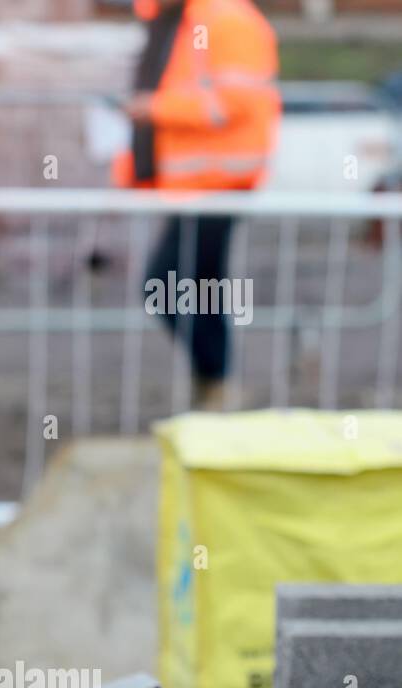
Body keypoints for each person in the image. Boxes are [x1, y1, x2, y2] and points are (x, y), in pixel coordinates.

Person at [114, 0, 280, 409]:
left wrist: (155, 109)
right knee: (201, 287)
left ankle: (218, 380)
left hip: (218, 182)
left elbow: (236, 102)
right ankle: (215, 386)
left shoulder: (225, 21)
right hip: (195, 184)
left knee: (165, 285)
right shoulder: (184, 20)